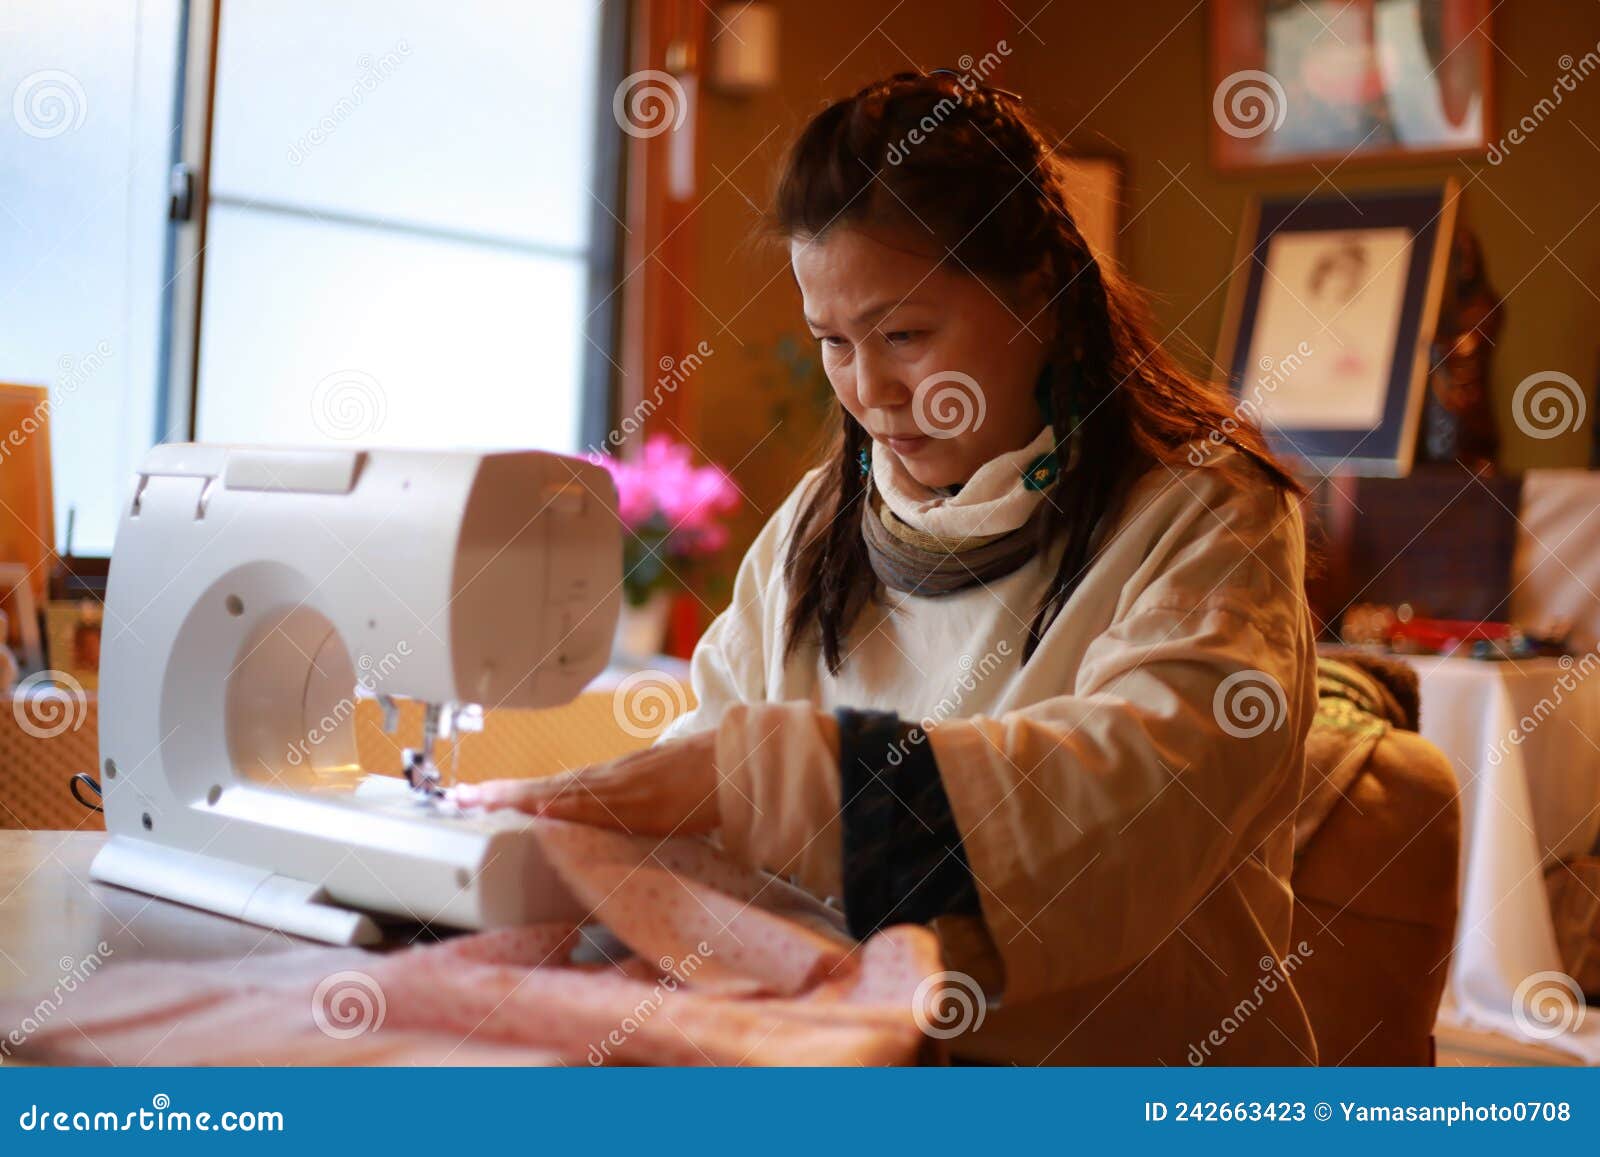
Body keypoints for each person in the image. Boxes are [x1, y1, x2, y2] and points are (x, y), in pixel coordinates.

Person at [455, 72, 1320, 1065]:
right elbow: (708, 826)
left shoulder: (1207, 508)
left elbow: (1137, 805)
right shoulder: (815, 528)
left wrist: (774, 778)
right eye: (833, 341)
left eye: (905, 334)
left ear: (1035, 290)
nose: (871, 390)